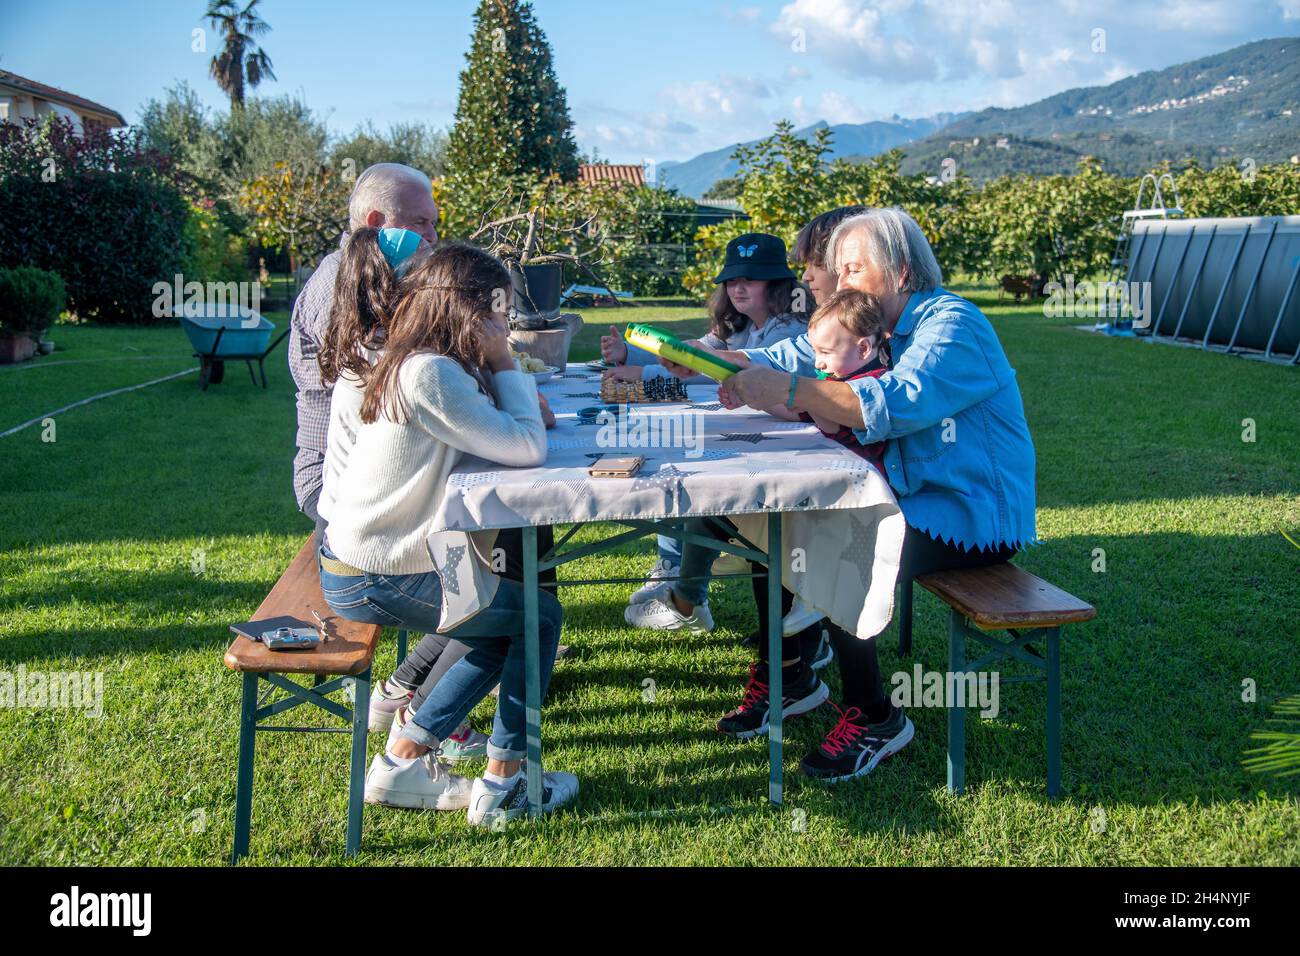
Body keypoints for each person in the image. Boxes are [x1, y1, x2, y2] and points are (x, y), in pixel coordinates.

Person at [655, 207, 1038, 783]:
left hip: (969, 516)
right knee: (777, 517)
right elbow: (789, 358)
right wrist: (712, 361)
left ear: (901, 271)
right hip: (905, 497)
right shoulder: (872, 324)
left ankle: (874, 716)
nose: (839, 282)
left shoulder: (953, 324)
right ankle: (790, 676)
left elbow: (892, 403)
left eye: (854, 268)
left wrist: (785, 389)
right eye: (838, 269)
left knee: (845, 545)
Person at [318, 241, 577, 825]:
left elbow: (507, 435)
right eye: (500, 311)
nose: (506, 323)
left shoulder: (425, 360)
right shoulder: (431, 372)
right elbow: (527, 446)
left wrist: (497, 373)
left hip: (367, 559)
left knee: (502, 622)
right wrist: (505, 363)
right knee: (535, 617)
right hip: (375, 573)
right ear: (471, 311)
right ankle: (504, 784)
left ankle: (406, 761)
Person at [609, 233, 813, 639]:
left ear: (777, 284)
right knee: (679, 467)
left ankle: (686, 595)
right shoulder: (740, 326)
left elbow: (711, 368)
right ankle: (679, 582)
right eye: (732, 280)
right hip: (760, 437)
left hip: (792, 448)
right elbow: (696, 350)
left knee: (696, 483)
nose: (737, 287)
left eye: (751, 280)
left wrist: (643, 372)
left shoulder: (786, 330)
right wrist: (630, 353)